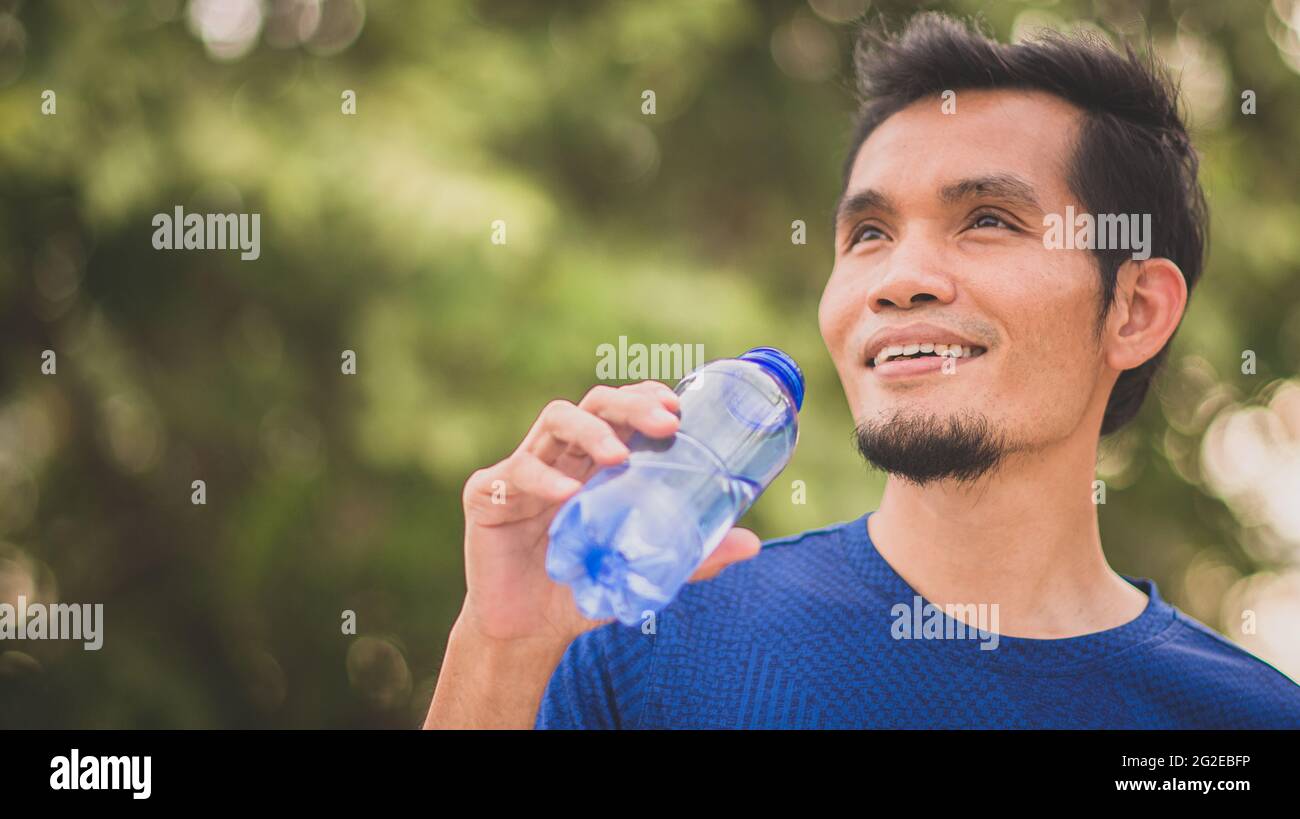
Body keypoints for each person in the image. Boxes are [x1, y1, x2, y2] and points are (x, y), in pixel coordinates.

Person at [424, 12, 1300, 729]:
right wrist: (502, 644)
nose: (896, 279)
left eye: (989, 218)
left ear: (1135, 309)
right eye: (869, 234)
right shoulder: (647, 643)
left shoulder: (1240, 725)